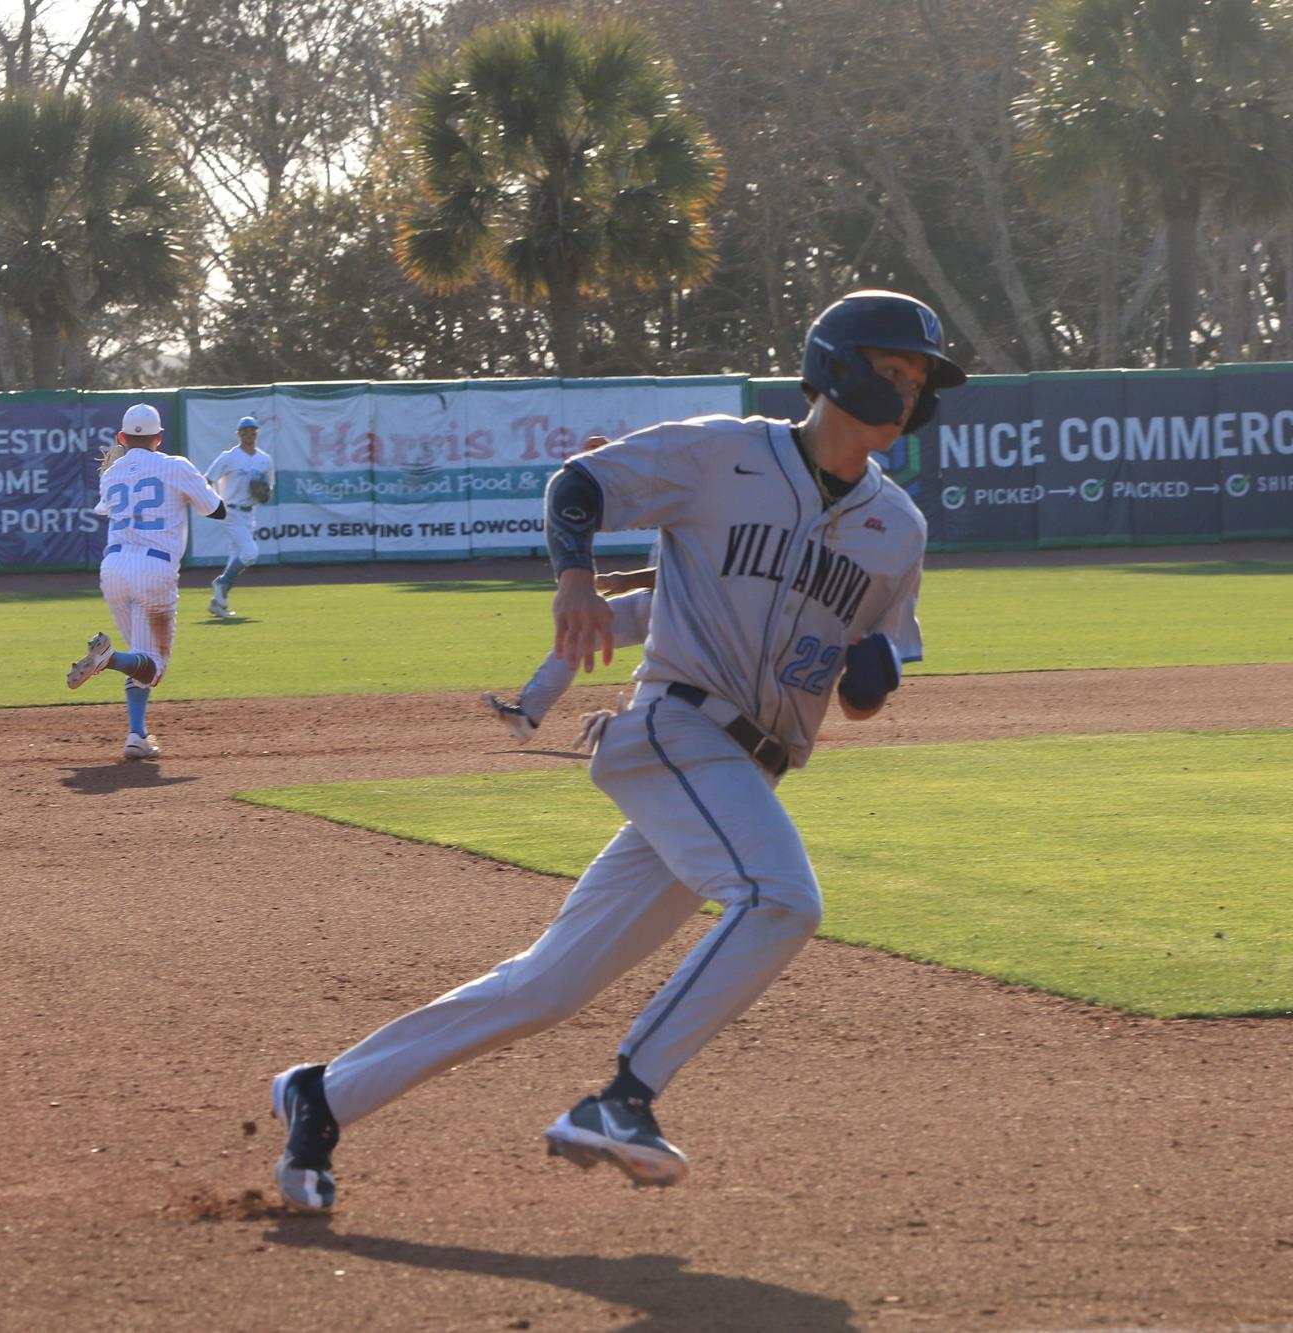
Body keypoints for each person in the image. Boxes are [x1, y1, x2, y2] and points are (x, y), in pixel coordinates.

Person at [269, 290, 964, 1212]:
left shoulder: (899, 530)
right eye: (892, 369)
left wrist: (870, 681)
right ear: (835, 367)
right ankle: (624, 1097)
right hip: (673, 726)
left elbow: (867, 679)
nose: (907, 390)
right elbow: (579, 485)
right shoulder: (725, 453)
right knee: (783, 899)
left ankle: (324, 1094)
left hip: (744, 772)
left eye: (917, 379)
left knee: (545, 985)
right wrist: (575, 582)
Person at [66, 404, 228, 760]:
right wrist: (212, 488)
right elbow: (217, 510)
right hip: (154, 570)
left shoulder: (111, 474)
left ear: (122, 438)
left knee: (139, 657)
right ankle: (107, 659)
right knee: (153, 668)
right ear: (159, 438)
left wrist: (122, 467)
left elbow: (106, 509)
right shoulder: (176, 466)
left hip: (114, 568)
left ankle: (136, 735)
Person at [481, 567, 658, 742]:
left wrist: (629, 580)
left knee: (671, 677)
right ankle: (526, 718)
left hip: (680, 614)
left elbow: (682, 572)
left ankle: (652, 732)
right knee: (579, 630)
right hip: (651, 600)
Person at [202, 415, 276, 618]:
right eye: (244, 431)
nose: (249, 434)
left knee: (237, 557)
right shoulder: (229, 457)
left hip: (249, 513)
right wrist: (211, 503)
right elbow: (206, 480)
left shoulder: (264, 459)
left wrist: (265, 492)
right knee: (250, 553)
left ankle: (218, 603)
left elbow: (269, 488)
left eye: (252, 430)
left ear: (257, 433)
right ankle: (221, 582)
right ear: (238, 434)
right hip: (230, 510)